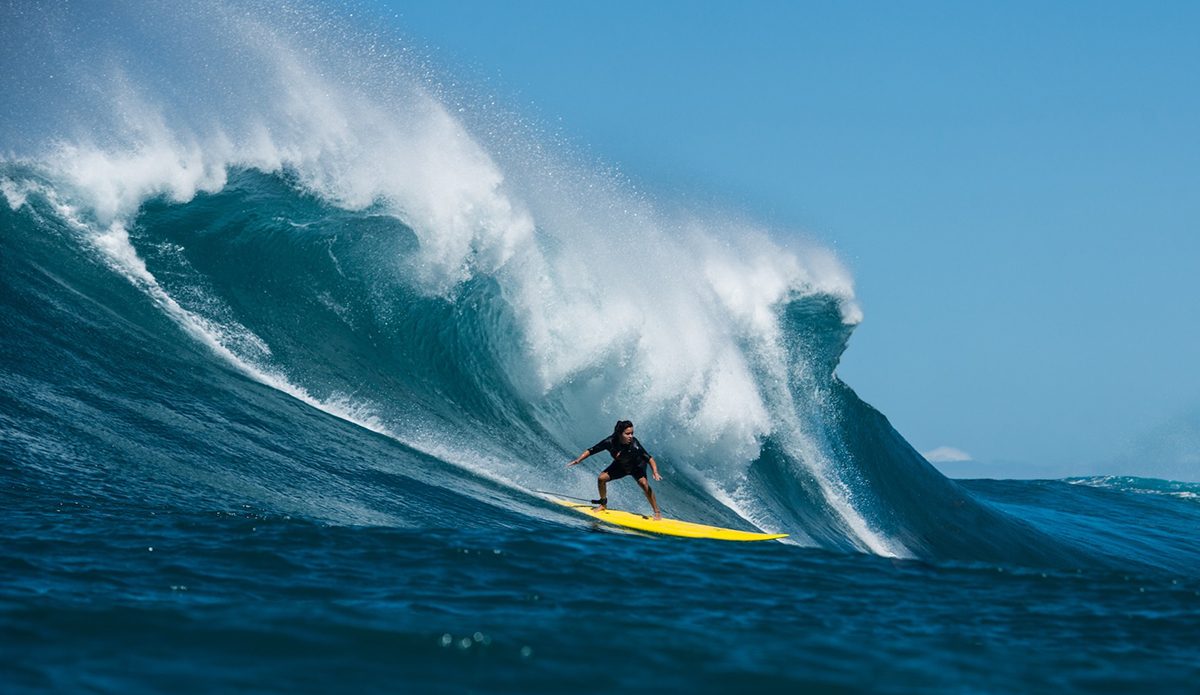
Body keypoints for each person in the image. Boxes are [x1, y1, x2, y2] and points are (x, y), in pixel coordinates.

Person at [568, 420, 663, 519]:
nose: (631, 436)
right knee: (601, 478)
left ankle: (657, 512)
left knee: (643, 483)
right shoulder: (610, 442)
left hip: (637, 466)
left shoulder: (635, 445)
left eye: (632, 433)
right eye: (627, 434)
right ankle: (603, 503)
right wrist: (578, 460)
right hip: (621, 466)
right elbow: (592, 450)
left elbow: (649, 458)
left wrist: (655, 472)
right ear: (619, 433)